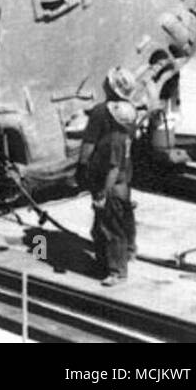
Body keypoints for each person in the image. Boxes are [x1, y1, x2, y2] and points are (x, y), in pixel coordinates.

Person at [75, 69, 139, 286]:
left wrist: (82, 167)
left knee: (108, 225)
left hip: (107, 178)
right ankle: (129, 251)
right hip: (125, 174)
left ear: (111, 87)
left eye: (107, 81)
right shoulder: (130, 112)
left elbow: (89, 144)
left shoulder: (102, 112)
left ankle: (117, 270)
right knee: (121, 215)